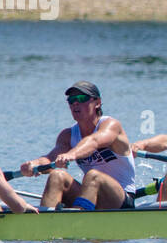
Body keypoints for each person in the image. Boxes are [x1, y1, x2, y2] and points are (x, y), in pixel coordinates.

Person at [20, 82, 137, 210]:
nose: (75, 103)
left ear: (97, 102)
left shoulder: (111, 125)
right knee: (57, 175)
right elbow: (49, 159)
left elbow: (94, 142)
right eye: (71, 100)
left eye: (82, 99)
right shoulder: (68, 135)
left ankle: (77, 223)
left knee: (93, 176)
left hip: (121, 199)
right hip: (91, 194)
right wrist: (34, 164)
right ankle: (42, 224)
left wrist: (71, 155)